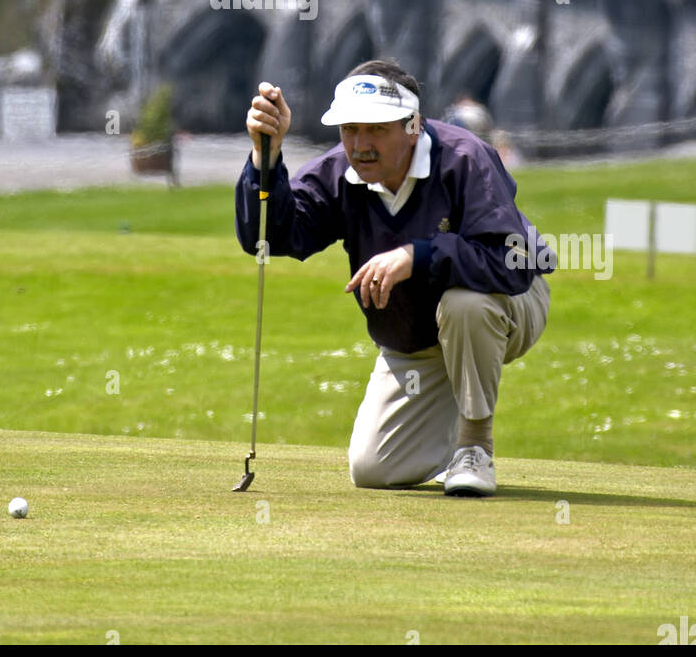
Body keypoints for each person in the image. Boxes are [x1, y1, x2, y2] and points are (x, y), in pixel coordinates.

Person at [235, 58, 554, 497]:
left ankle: (475, 447)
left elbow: (511, 261)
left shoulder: (465, 158)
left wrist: (418, 255)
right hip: (416, 340)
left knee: (464, 304)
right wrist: (265, 160)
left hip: (507, 304)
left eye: (377, 129)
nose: (361, 144)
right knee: (374, 469)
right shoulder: (340, 174)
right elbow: (269, 238)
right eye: (350, 130)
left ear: (412, 126)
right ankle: (445, 443)